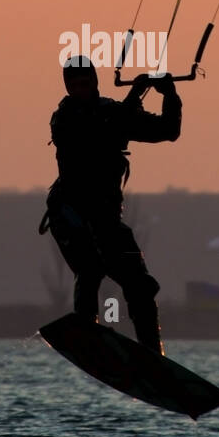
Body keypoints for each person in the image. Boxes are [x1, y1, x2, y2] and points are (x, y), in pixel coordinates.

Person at [39, 55, 181, 355]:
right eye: (75, 85)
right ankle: (85, 330)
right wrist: (134, 95)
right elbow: (98, 134)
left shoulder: (113, 112)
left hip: (105, 220)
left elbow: (168, 130)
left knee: (140, 285)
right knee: (90, 267)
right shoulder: (63, 119)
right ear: (67, 87)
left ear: (96, 81)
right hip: (70, 215)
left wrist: (169, 94)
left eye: (87, 83)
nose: (82, 89)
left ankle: (153, 355)